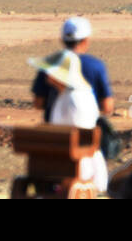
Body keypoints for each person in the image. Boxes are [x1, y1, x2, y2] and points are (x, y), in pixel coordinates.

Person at [31, 50, 109, 194]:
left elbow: (81, 138)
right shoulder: (65, 95)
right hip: (64, 161)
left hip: (79, 166)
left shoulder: (76, 98)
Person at [31, 16, 114, 121]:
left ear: (62, 40)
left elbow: (38, 103)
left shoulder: (50, 64)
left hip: (54, 133)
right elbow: (107, 106)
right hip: (87, 132)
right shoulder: (96, 66)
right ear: (86, 40)